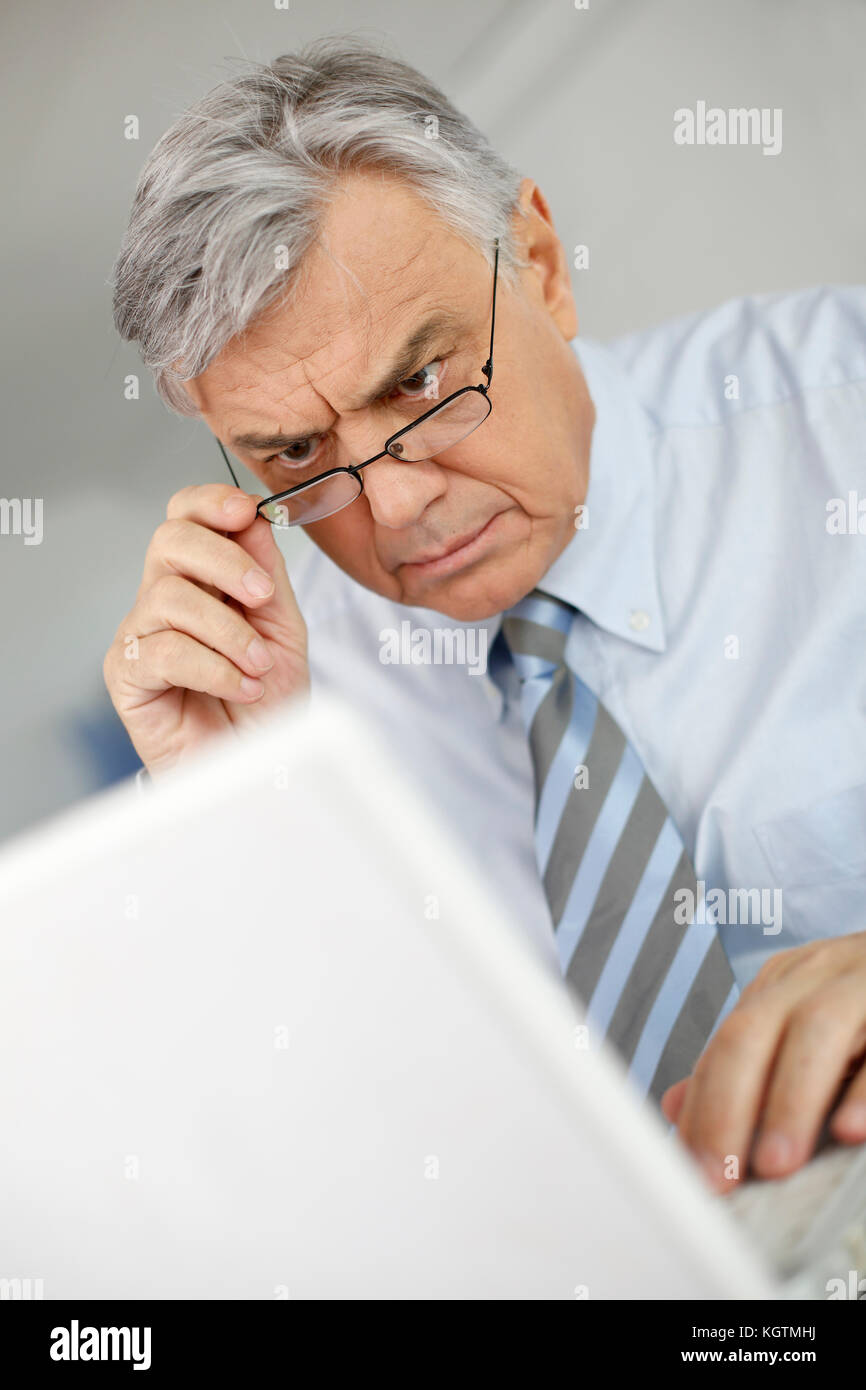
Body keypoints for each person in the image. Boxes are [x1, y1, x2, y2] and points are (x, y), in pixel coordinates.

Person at [104, 37, 866, 1193]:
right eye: (297, 453)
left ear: (543, 267)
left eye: (421, 381)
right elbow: (325, 1168)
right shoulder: (276, 681)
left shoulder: (841, 415)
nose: (394, 506)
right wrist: (247, 820)